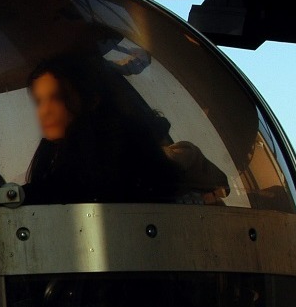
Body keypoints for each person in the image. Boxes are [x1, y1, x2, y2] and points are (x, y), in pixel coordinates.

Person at [22, 56, 179, 206]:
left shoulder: (114, 147)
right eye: (39, 101)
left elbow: (68, 191)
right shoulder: (53, 153)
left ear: (91, 99)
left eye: (58, 97)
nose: (44, 111)